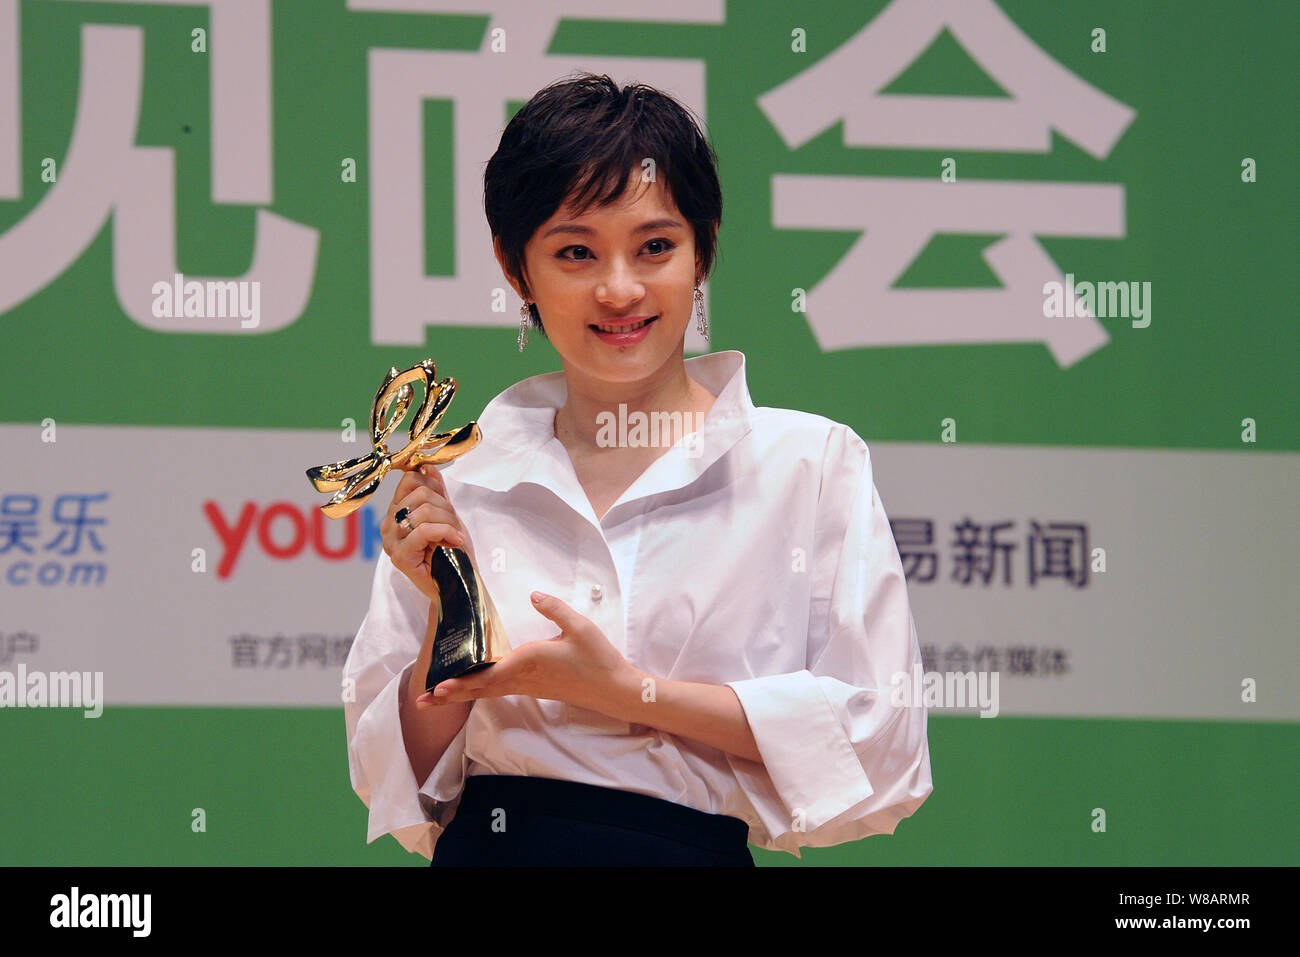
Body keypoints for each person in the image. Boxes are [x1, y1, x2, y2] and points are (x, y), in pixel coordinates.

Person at [342, 72, 933, 866]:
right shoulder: (462, 476)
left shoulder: (810, 465)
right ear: (516, 268)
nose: (620, 289)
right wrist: (448, 628)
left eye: (655, 246)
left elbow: (880, 743)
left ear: (704, 250)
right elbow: (402, 780)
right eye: (576, 252)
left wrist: (625, 695)